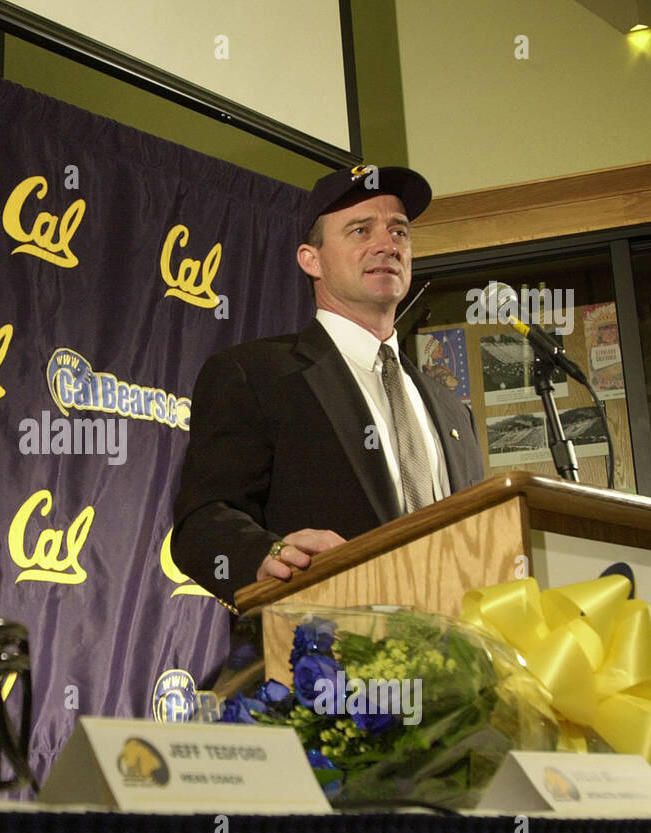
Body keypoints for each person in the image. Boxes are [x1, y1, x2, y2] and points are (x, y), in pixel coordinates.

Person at [172, 164, 485, 610]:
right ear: (311, 259)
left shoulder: (453, 411)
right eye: (361, 231)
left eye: (399, 232)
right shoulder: (253, 375)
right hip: (328, 658)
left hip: (459, 659)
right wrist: (267, 556)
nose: (387, 245)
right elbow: (202, 524)